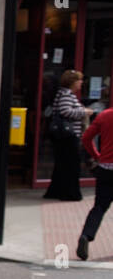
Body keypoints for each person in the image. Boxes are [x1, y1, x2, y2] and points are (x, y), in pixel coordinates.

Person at [44, 70, 92, 201]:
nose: (81, 83)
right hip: (68, 135)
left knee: (62, 164)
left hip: (66, 135)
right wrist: (84, 111)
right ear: (72, 82)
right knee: (72, 164)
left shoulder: (65, 94)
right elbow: (66, 111)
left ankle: (57, 191)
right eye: (79, 80)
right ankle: (70, 193)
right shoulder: (66, 95)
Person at [77, 99, 113, 260]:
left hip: (105, 168)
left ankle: (86, 235)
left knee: (99, 206)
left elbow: (86, 138)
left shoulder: (105, 116)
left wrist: (97, 156)